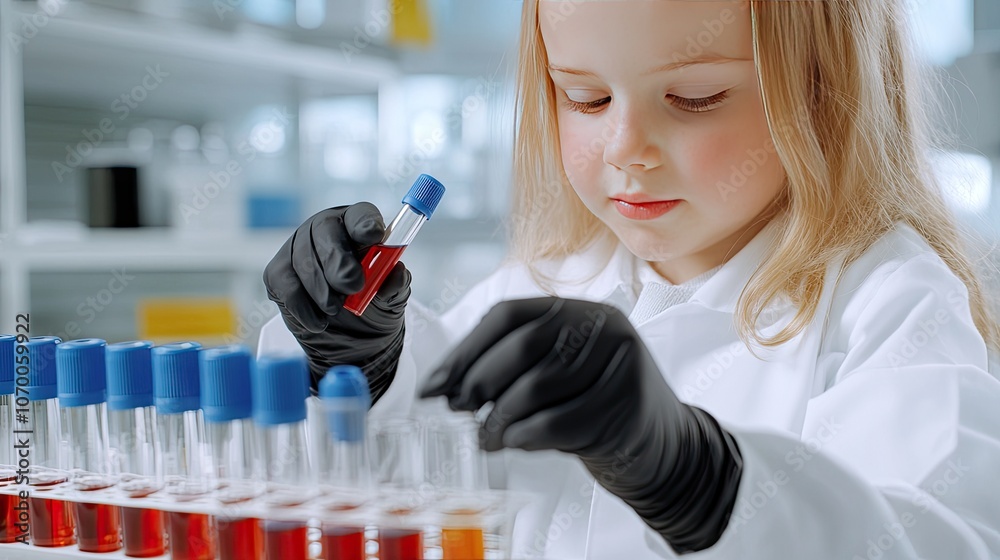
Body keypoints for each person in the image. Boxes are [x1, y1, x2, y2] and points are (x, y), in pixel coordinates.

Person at [259, 1, 1000, 558]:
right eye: (585, 98)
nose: (625, 148)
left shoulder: (889, 305)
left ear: (823, 90)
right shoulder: (544, 281)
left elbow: (938, 539)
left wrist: (700, 481)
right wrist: (360, 366)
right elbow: (391, 496)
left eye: (696, 98)